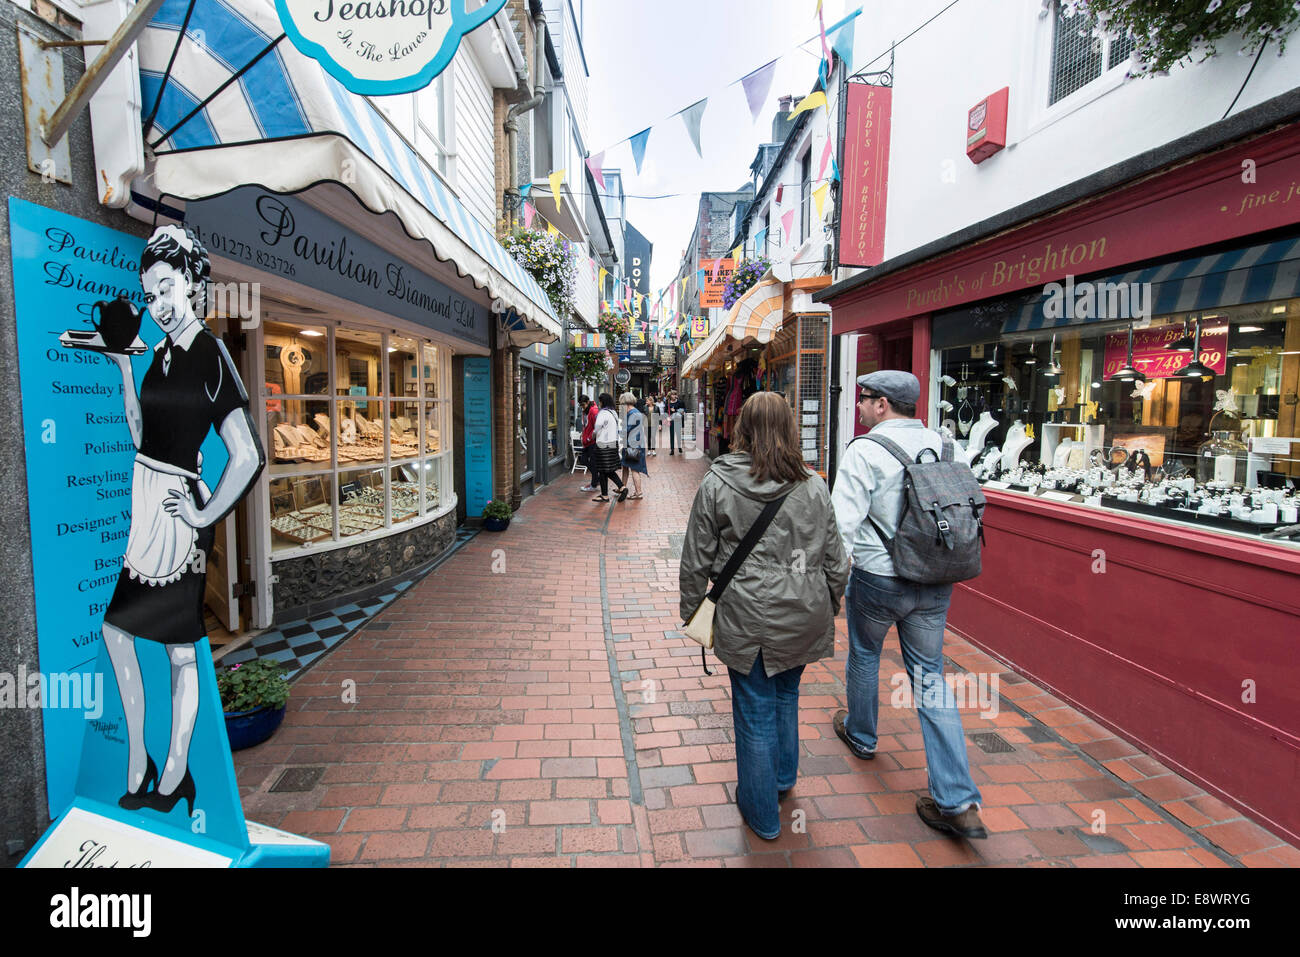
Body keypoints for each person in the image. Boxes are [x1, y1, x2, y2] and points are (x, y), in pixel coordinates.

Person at [101, 224, 265, 816]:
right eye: (151, 295)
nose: (160, 305)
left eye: (168, 289)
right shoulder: (161, 355)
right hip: (146, 504)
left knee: (177, 648)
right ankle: (143, 762)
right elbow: (144, 435)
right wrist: (124, 367)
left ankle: (173, 771)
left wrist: (203, 512)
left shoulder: (209, 354)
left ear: (195, 283)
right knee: (118, 630)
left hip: (176, 514)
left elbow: (247, 454)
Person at [680, 392, 849, 841]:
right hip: (803, 614)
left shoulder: (717, 483)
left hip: (747, 617)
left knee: (755, 711)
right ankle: (780, 781)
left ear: (744, 428)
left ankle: (762, 815)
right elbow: (837, 560)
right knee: (786, 698)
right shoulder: (813, 485)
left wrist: (694, 613)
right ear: (790, 429)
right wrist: (829, 604)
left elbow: (696, 559)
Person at [829, 370, 988, 840]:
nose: (859, 407)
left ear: (882, 406)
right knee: (931, 679)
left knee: (864, 654)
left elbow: (841, 525)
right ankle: (958, 800)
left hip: (879, 578)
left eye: (864, 400)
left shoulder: (865, 450)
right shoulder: (943, 446)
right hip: (936, 580)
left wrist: (832, 583)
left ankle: (861, 735)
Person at [590, 393, 627, 502]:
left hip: (603, 444)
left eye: (600, 401)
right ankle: (605, 495)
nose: (599, 403)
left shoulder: (603, 413)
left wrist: (592, 436)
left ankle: (621, 487)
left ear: (602, 402)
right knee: (605, 470)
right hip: (612, 444)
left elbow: (597, 428)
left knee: (603, 469)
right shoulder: (613, 413)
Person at [619, 392, 648, 499]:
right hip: (634, 444)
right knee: (625, 467)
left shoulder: (633, 414)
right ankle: (622, 487)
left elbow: (627, 430)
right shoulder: (635, 412)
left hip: (633, 445)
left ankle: (638, 492)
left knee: (634, 469)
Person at [579, 394, 598, 492]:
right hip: (586, 441)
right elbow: (586, 425)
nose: (582, 407)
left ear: (587, 402)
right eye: (580, 405)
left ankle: (594, 484)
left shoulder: (593, 410)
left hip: (592, 442)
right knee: (583, 460)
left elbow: (597, 427)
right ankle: (596, 478)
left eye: (583, 405)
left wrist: (589, 438)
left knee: (592, 463)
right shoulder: (585, 411)